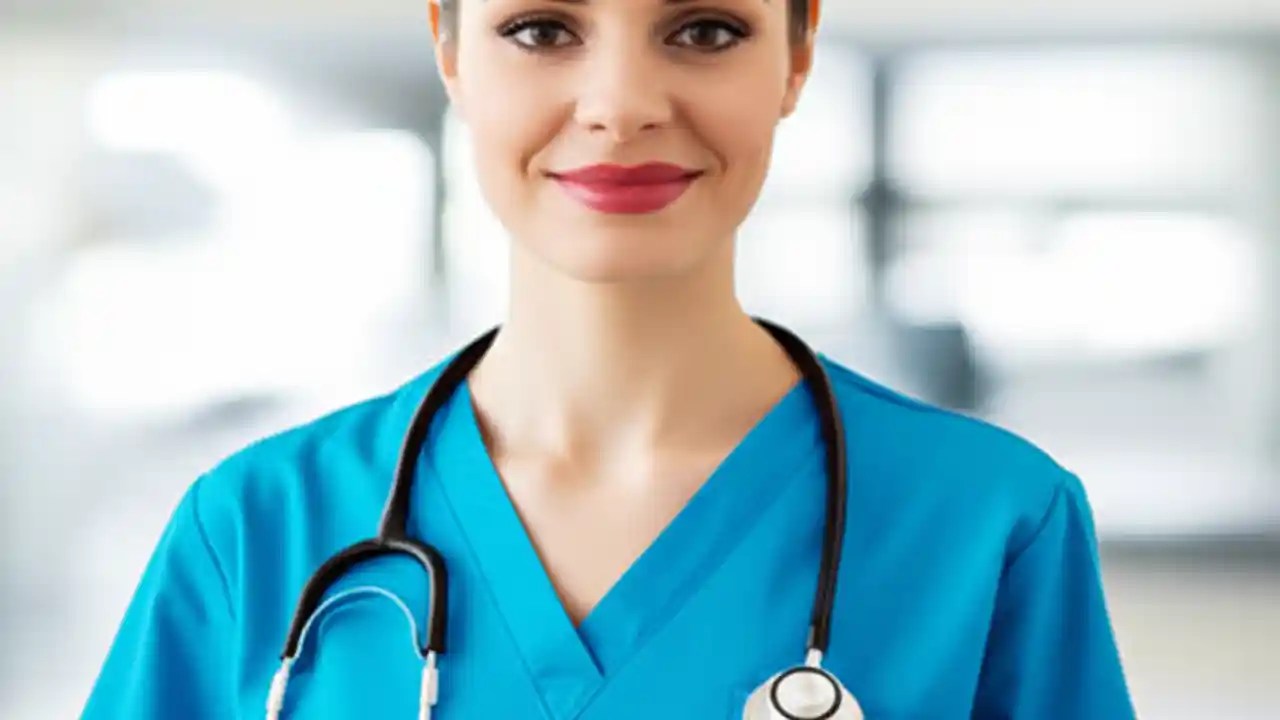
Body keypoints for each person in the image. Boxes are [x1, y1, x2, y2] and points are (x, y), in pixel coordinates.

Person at [82, 1, 1136, 718]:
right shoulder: (259, 527)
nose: (620, 103)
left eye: (703, 29)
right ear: (449, 51)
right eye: (542, 29)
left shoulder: (989, 523)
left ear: (796, 53)